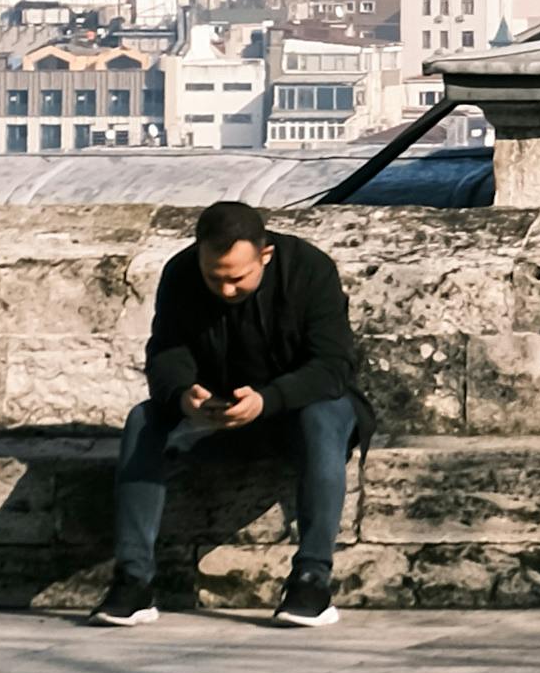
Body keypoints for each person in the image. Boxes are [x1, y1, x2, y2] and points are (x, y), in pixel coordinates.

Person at [99, 198, 361, 626]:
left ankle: (312, 578)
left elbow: (333, 367)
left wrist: (268, 399)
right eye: (213, 278)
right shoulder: (181, 273)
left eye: (238, 278)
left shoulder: (310, 269)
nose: (225, 290)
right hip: (216, 408)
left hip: (299, 405)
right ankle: (133, 580)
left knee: (324, 417)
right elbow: (166, 353)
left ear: (266, 255)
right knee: (143, 420)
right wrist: (185, 396)